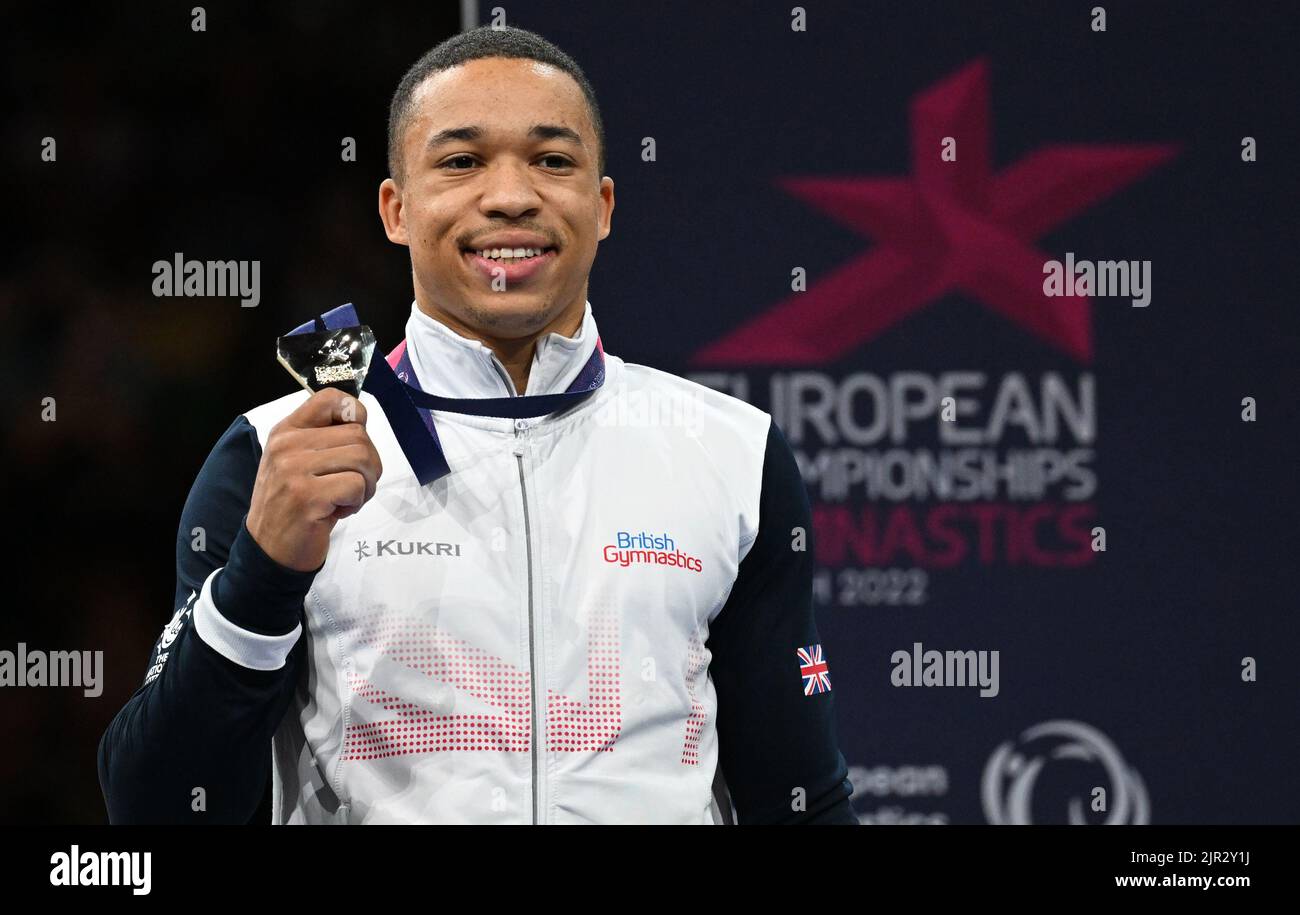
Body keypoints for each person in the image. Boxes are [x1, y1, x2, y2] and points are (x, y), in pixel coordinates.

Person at [98, 25, 855, 825]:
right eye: (461, 161)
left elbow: (801, 800)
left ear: (602, 207)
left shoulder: (732, 453)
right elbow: (153, 809)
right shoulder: (273, 454)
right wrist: (261, 578)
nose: (510, 196)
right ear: (396, 208)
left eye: (552, 160)